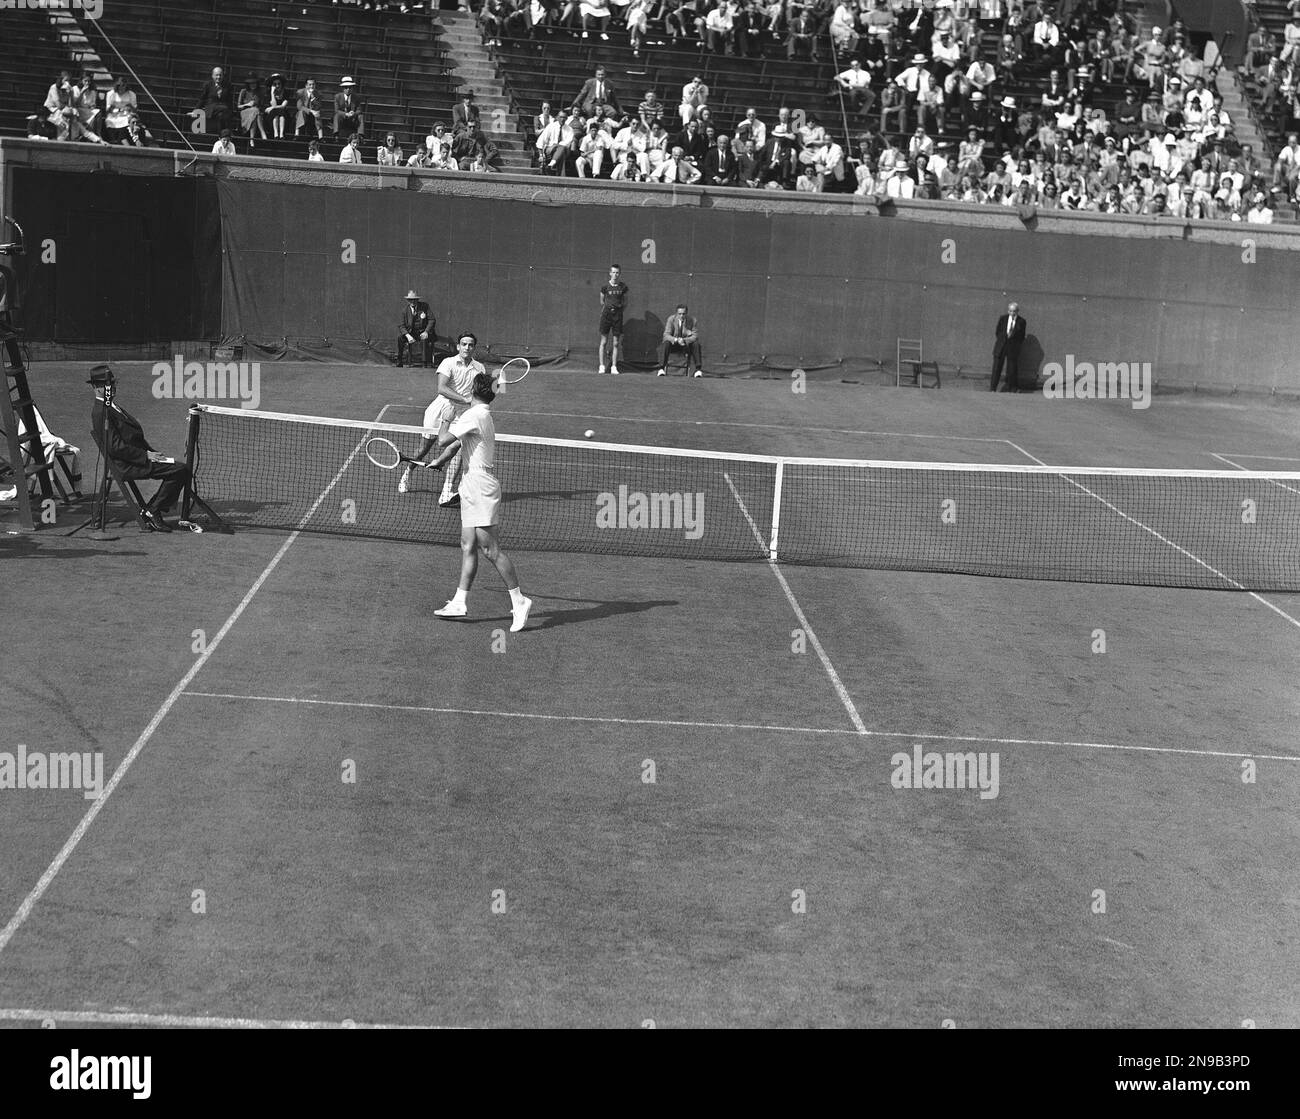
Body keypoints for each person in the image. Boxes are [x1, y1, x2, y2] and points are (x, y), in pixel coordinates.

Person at [430, 372, 532, 633]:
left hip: (480, 487)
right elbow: (454, 447)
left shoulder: (473, 415)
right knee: (468, 544)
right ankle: (459, 602)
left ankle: (519, 601)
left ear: (472, 391)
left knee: (490, 549)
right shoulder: (480, 414)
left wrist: (445, 417)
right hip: (471, 485)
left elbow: (443, 439)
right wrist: (440, 461)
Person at [88, 365, 189, 532]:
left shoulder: (112, 406)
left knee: (180, 468)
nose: (111, 388)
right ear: (96, 387)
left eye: (113, 384)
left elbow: (132, 438)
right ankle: (153, 511)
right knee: (179, 469)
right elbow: (115, 447)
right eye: (107, 385)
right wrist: (147, 455)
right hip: (127, 464)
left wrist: (152, 453)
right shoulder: (101, 412)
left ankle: (152, 509)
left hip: (137, 458)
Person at [401, 332, 485, 503]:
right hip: (440, 410)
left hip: (461, 415)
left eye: (470, 345)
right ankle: (407, 472)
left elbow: (479, 393)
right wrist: (465, 399)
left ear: (474, 348)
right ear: (458, 346)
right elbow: (441, 388)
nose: (467, 347)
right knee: (424, 448)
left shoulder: (480, 368)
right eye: (463, 344)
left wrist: (488, 391)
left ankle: (446, 491)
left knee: (460, 449)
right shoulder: (448, 363)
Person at [597, 264, 627, 375]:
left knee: (615, 343)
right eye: (613, 272)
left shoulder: (623, 287)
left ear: (619, 274)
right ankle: (601, 366)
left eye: (617, 272)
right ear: (610, 273)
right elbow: (602, 301)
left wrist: (618, 311)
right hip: (606, 316)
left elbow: (625, 302)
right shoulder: (605, 287)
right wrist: (608, 310)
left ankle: (614, 366)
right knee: (603, 342)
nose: (615, 275)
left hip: (617, 317)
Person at [656, 304, 702, 377]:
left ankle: (698, 370)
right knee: (666, 343)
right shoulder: (671, 319)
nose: (681, 316)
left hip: (686, 345)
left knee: (696, 344)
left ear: (686, 313)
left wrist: (684, 340)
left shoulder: (692, 320)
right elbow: (666, 335)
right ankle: (661, 369)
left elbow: (695, 336)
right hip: (674, 345)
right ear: (676, 313)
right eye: (679, 314)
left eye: (683, 314)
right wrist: (676, 340)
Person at [990, 301, 1026, 391]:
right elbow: (998, 332)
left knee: (1012, 369)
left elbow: (1021, 336)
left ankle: (1012, 388)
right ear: (1008, 311)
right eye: (1010, 311)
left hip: (1013, 348)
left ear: (1017, 311)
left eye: (1014, 311)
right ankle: (993, 388)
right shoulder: (1003, 319)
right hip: (1001, 346)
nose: (1012, 313)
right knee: (996, 368)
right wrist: (1003, 340)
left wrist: (1015, 344)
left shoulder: (1022, 321)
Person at [397, 289, 434, 367]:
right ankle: (399, 360)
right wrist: (407, 335)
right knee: (400, 338)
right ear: (407, 301)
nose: (412, 302)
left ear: (417, 300)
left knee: (424, 338)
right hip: (411, 333)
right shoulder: (405, 310)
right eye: (410, 300)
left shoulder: (425, 306)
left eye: (414, 300)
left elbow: (432, 320)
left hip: (423, 331)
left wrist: (426, 331)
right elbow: (401, 325)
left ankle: (424, 363)